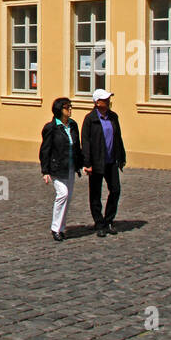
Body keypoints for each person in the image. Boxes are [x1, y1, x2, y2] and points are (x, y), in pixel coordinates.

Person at [81, 88, 127, 237]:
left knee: (115, 190)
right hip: (96, 161)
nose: (108, 102)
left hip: (111, 160)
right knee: (95, 193)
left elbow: (118, 138)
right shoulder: (90, 119)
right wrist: (87, 163)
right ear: (96, 102)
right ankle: (99, 223)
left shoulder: (113, 117)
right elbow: (86, 142)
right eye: (105, 99)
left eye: (108, 99)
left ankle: (109, 220)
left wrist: (121, 157)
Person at [39, 97, 83, 242]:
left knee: (68, 198)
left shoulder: (73, 125)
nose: (70, 109)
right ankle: (55, 228)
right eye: (66, 107)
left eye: (70, 106)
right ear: (59, 110)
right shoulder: (51, 128)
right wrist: (45, 171)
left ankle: (62, 228)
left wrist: (82, 164)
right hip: (56, 167)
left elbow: (77, 147)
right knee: (62, 194)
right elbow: (45, 150)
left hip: (70, 166)